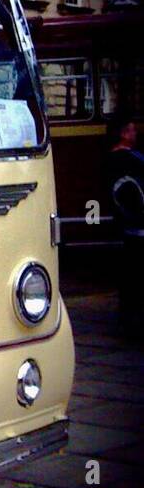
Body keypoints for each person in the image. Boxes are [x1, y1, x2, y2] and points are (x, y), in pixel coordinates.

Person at [104, 113, 144, 335]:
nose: (135, 133)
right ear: (122, 134)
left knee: (130, 275)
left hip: (126, 226)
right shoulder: (134, 159)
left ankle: (128, 318)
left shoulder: (109, 160)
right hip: (139, 225)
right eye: (131, 129)